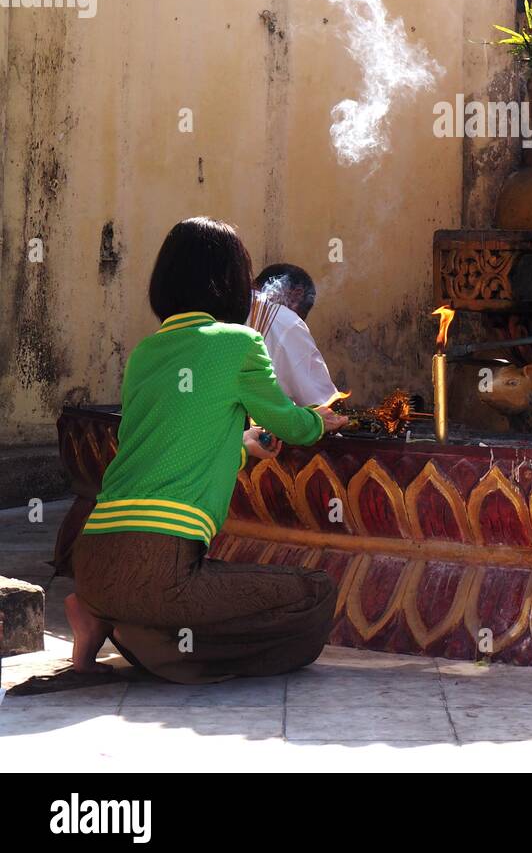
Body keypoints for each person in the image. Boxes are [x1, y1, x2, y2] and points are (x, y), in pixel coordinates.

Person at [65, 216, 347, 684]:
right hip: (159, 567)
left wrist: (240, 443)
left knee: (167, 596)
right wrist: (320, 419)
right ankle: (155, 643)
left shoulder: (145, 353)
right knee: (314, 594)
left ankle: (100, 612)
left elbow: (161, 441)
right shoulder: (239, 342)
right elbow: (292, 425)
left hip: (91, 556)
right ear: (233, 283)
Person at [247, 263, 340, 409]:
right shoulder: (287, 321)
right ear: (297, 294)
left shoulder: (230, 304)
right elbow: (321, 403)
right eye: (301, 314)